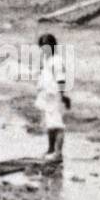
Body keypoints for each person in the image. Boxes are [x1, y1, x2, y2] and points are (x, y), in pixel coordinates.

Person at [34, 32, 70, 160]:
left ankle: (58, 153)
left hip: (54, 96)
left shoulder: (57, 61)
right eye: (42, 47)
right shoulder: (46, 59)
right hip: (46, 95)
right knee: (50, 125)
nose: (44, 50)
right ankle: (50, 150)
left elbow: (61, 79)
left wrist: (62, 96)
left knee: (57, 125)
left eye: (46, 47)